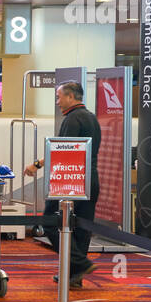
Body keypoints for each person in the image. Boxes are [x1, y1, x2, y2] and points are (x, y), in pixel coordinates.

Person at [23, 82, 101, 289]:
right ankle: (74, 275)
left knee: (50, 221)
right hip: (90, 178)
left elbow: (61, 151)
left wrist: (36, 164)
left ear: (70, 97)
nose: (57, 103)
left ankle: (80, 264)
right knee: (82, 228)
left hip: (70, 180)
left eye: (59, 98)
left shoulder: (73, 119)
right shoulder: (91, 118)